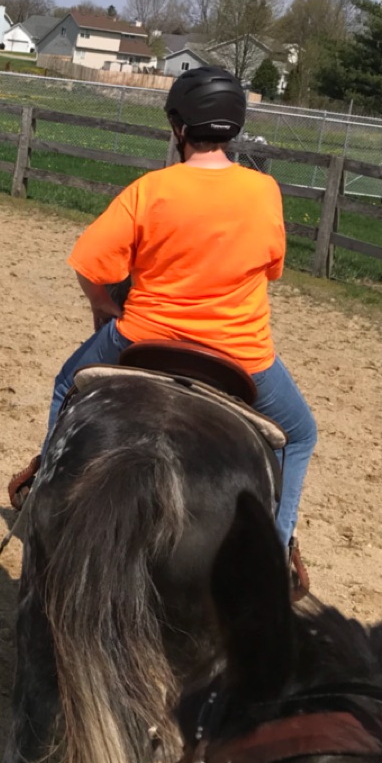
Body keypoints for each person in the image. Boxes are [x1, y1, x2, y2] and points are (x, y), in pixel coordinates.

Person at [41, 65, 317, 558]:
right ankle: (275, 555)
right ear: (234, 127)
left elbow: (88, 262)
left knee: (67, 385)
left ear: (179, 127)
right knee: (299, 434)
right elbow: (272, 269)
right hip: (240, 354)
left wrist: (103, 306)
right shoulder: (264, 191)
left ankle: (44, 500)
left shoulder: (150, 189)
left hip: (145, 337)